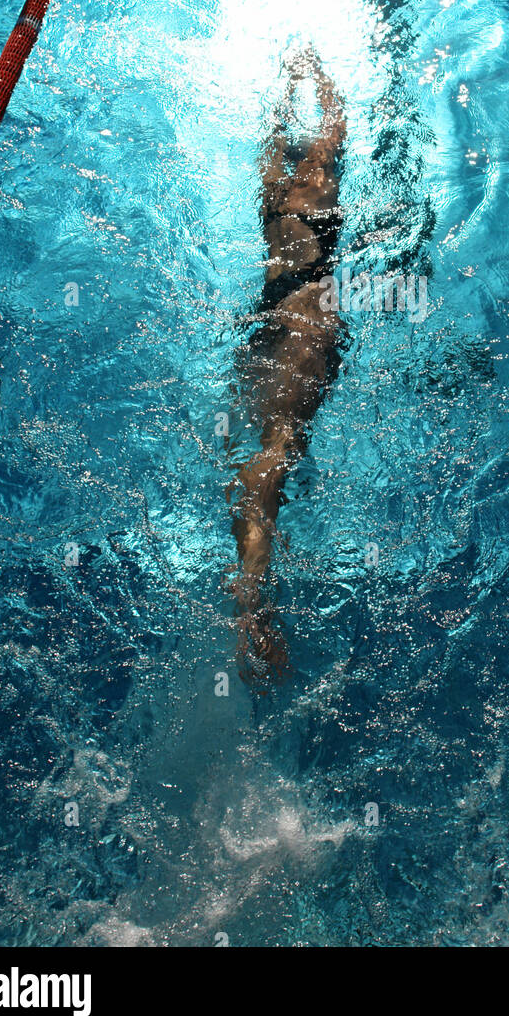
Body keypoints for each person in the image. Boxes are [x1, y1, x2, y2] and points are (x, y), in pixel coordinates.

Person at [226, 47, 347, 682]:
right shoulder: (320, 174)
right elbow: (337, 123)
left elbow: (273, 137)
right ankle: (251, 603)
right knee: (280, 447)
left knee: (253, 447)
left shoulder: (272, 186)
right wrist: (318, 73)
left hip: (261, 313)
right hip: (308, 303)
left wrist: (281, 86)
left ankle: (248, 558)